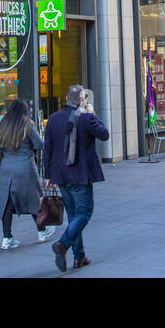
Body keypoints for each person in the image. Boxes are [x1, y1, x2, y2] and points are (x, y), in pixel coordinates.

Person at [43, 85, 109, 272]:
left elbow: (48, 149)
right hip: (80, 174)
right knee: (84, 213)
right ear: (81, 100)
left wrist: (48, 175)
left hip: (61, 175)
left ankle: (79, 257)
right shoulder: (87, 118)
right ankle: (63, 244)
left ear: (66, 98)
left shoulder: (53, 119)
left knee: (73, 215)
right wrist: (94, 114)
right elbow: (104, 135)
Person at [0, 100, 54, 250]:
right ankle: (41, 231)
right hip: (25, 166)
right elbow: (39, 144)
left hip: (7, 167)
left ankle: (7, 238)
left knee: (6, 202)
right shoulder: (27, 124)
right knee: (33, 199)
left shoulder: (4, 124)